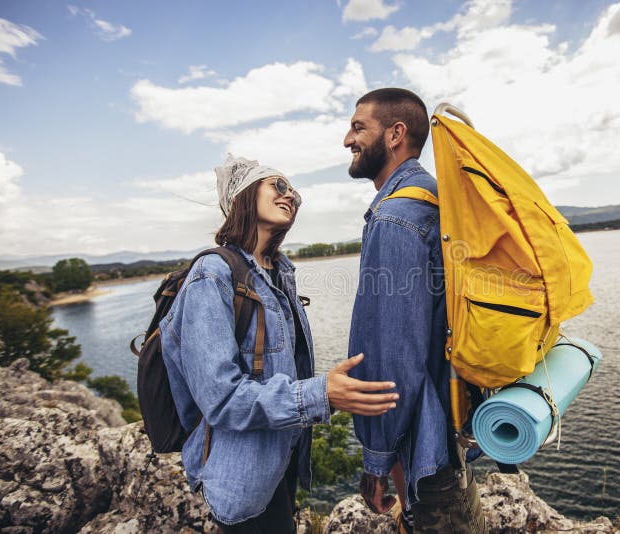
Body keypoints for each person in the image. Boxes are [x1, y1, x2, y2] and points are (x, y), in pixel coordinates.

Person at [160, 154, 400, 533]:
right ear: (242, 194)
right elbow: (221, 399)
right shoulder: (212, 275)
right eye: (279, 185)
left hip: (280, 465)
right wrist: (322, 393)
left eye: (295, 193)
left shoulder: (278, 273)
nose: (291, 196)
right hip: (243, 480)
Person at [343, 88, 486, 533]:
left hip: (425, 458)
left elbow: (394, 361)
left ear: (395, 134)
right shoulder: (438, 198)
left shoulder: (395, 219)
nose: (347, 139)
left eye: (358, 127)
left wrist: (376, 462)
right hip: (451, 430)